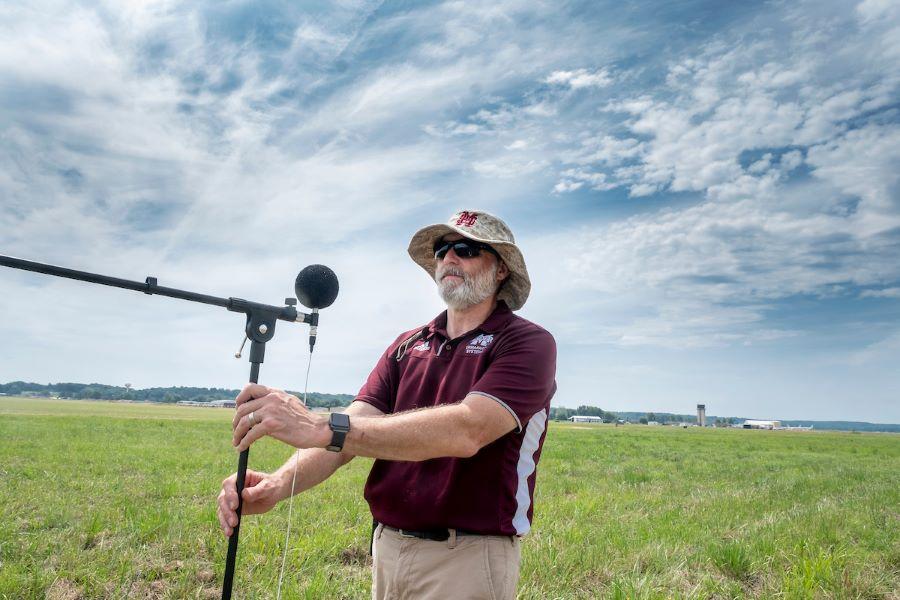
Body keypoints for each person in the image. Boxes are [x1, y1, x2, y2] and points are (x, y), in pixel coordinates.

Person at [217, 210, 557, 599]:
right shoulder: (407, 345)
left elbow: (468, 430)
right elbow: (353, 427)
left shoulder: (527, 343)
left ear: (500, 270)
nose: (449, 257)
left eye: (466, 249)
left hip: (467, 556)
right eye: (442, 249)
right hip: (388, 548)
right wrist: (276, 486)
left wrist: (321, 425)